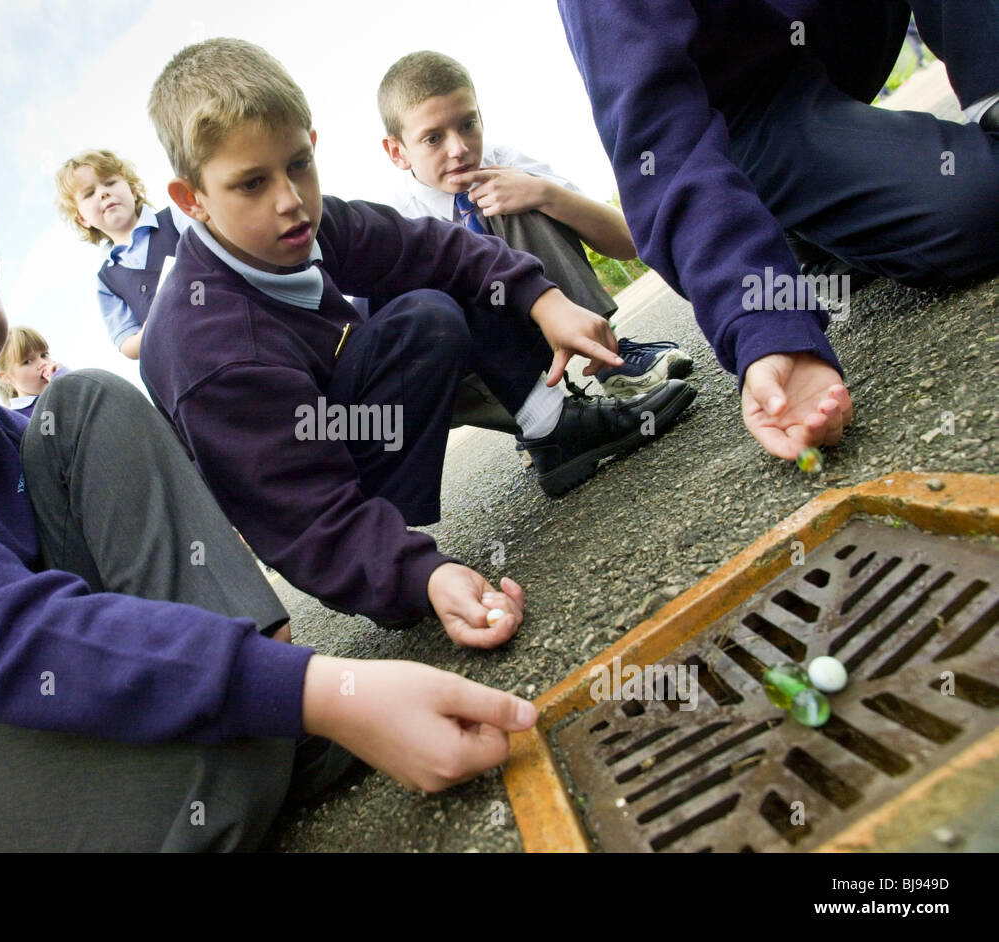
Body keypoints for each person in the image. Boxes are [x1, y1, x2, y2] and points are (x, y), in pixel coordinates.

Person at [0, 146, 539, 852]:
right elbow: (12, 638)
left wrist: (292, 675)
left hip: (33, 722)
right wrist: (330, 692)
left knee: (88, 402)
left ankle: (275, 730)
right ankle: (273, 732)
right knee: (212, 748)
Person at [140, 38, 697, 634]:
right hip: (315, 491)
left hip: (348, 419)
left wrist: (544, 299)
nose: (290, 201)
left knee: (428, 302)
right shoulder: (208, 350)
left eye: (299, 164)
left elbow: (433, 247)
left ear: (312, 145)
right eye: (251, 184)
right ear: (191, 199)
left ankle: (555, 427)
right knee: (425, 317)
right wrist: (418, 575)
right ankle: (384, 549)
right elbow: (298, 517)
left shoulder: (315, 220)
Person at [556, 0, 999, 462]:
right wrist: (765, 323)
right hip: (754, 109)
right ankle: (786, 214)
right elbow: (659, 141)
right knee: (976, 203)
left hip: (842, 39)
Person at [378, 50, 695, 400]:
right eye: (433, 138)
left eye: (468, 124)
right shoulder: (396, 220)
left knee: (511, 193)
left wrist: (544, 194)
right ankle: (533, 414)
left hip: (545, 309)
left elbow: (628, 243)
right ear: (397, 152)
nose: (459, 148)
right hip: (473, 354)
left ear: (480, 116)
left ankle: (608, 358)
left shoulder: (503, 163)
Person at [55, 149, 188, 360]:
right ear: (82, 219)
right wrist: (150, 328)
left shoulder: (177, 217)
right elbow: (127, 342)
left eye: (109, 183)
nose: (103, 193)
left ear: (133, 190)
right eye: (89, 193)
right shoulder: (107, 281)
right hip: (184, 367)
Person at [0, 325, 65, 418]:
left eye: (44, 355)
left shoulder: (60, 398)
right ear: (6, 377)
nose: (43, 363)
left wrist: (65, 379)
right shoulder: (12, 420)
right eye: (28, 361)